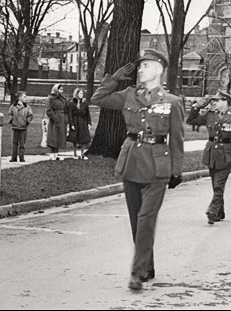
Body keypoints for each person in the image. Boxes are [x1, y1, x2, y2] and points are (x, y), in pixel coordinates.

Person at [91, 49, 184, 291]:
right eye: (140, 66)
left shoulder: (172, 102)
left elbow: (177, 139)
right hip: (131, 162)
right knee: (136, 221)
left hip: (157, 166)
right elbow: (98, 98)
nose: (141, 69)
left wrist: (176, 170)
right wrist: (114, 79)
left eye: (146, 65)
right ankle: (148, 265)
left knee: (146, 220)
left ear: (159, 70)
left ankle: (138, 272)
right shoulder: (128, 95)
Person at [186, 90, 231, 224]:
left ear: (226, 102)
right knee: (215, 185)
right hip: (212, 153)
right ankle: (220, 211)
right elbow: (190, 120)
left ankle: (212, 211)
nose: (215, 103)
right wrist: (197, 107)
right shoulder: (210, 115)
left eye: (218, 101)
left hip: (226, 155)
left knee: (218, 185)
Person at [8, 91, 33, 162]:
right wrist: (11, 120)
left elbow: (30, 115)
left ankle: (21, 157)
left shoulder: (27, 107)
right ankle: (13, 157)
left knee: (22, 143)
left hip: (23, 128)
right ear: (20, 97)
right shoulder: (13, 106)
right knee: (14, 143)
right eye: (24, 96)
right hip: (15, 127)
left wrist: (27, 121)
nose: (26, 98)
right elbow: (10, 113)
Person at [67, 88, 92, 160]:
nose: (82, 95)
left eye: (82, 93)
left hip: (83, 122)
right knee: (75, 138)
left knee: (83, 138)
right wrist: (71, 124)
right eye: (80, 93)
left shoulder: (84, 103)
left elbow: (87, 114)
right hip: (75, 122)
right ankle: (75, 153)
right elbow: (70, 114)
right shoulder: (72, 103)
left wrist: (89, 123)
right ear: (77, 94)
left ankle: (82, 153)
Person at [46, 83, 69, 160]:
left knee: (59, 137)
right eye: (60, 89)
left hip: (62, 120)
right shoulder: (51, 98)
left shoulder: (63, 98)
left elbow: (66, 109)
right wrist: (55, 118)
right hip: (55, 120)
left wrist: (66, 118)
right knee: (53, 137)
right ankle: (52, 154)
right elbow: (49, 110)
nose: (61, 91)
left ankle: (56, 154)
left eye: (62, 89)